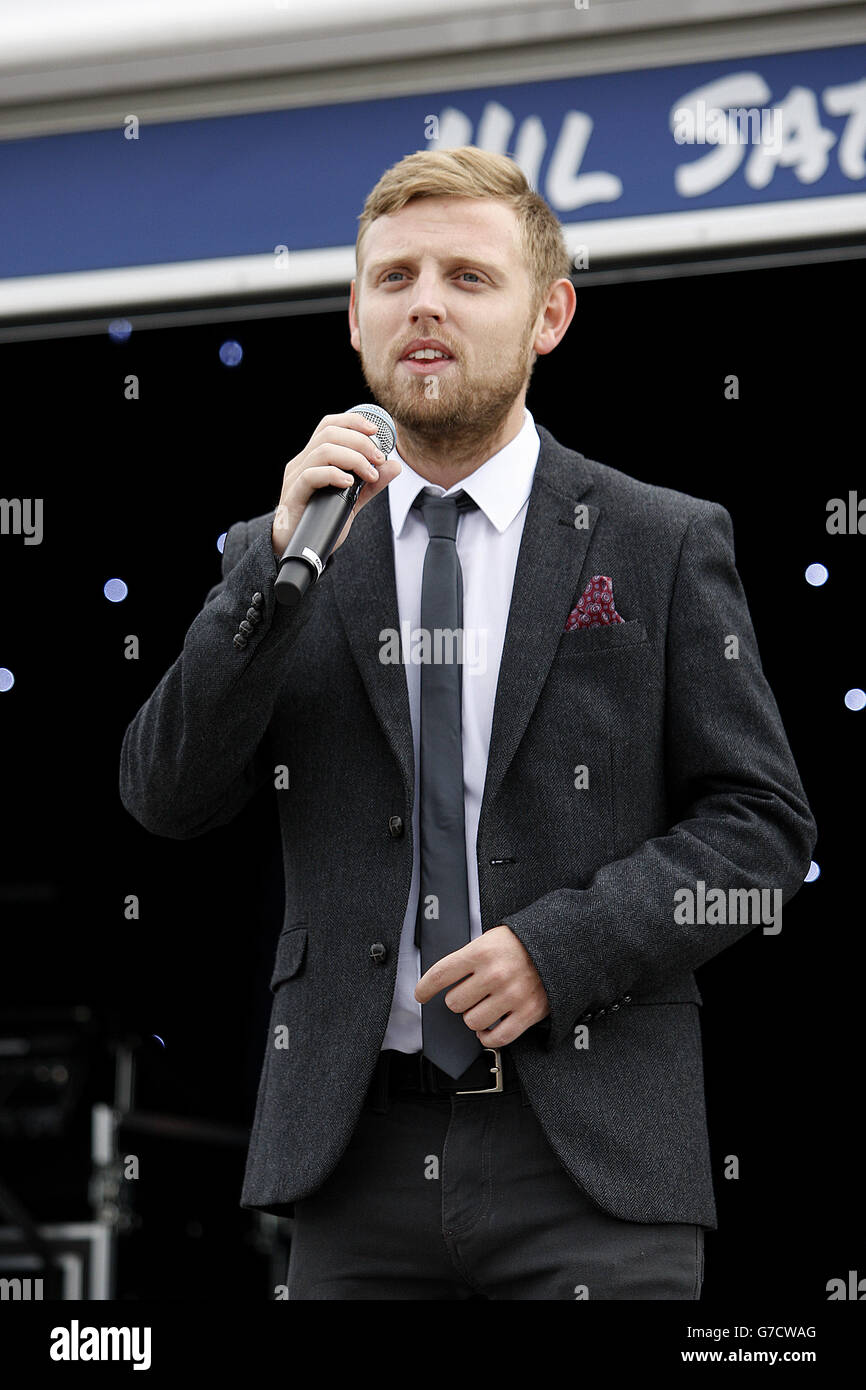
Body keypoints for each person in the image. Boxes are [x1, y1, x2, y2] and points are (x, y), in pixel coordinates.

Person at [119, 145, 816, 1300]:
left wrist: (561, 950)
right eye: (392, 279)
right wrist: (264, 589)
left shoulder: (657, 539)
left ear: (549, 315)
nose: (423, 303)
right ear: (353, 317)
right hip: (355, 1158)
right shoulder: (281, 549)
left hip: (590, 1163)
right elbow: (164, 795)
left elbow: (761, 830)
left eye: (465, 277)